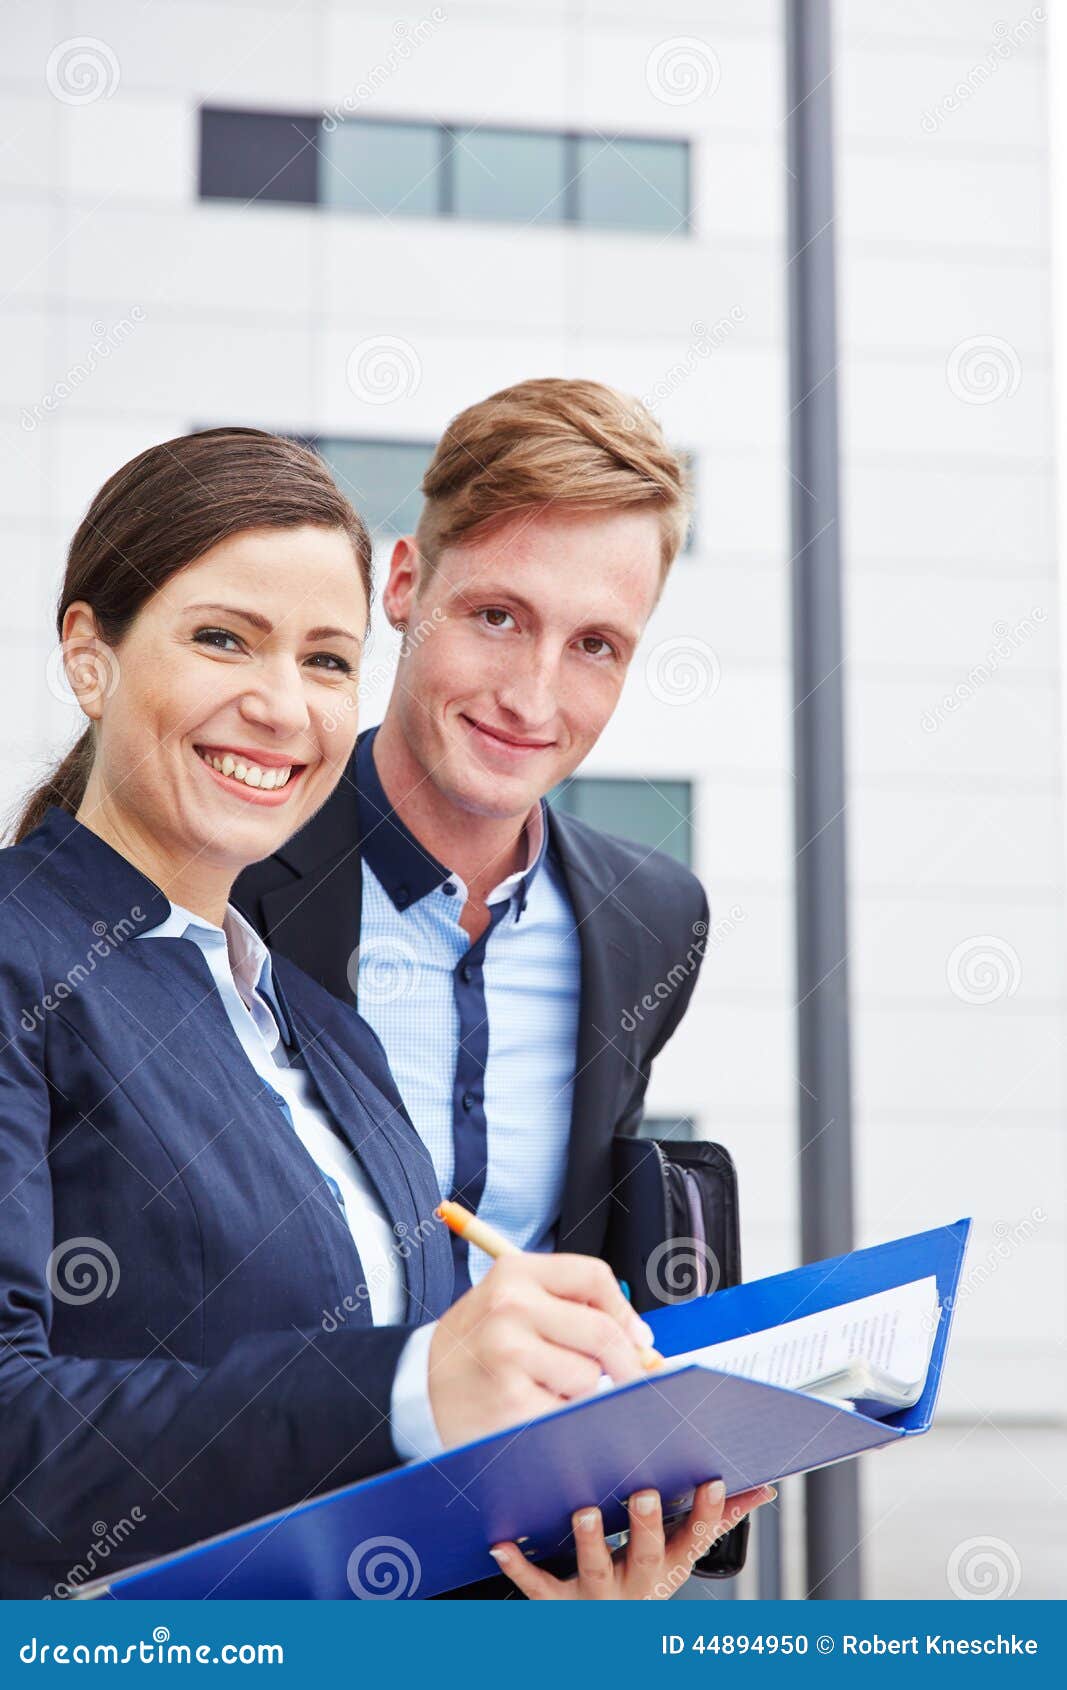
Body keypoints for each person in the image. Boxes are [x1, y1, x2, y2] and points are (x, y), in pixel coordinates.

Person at [0, 429, 770, 1601]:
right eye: (222, 638)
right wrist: (416, 1381)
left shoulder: (308, 1024)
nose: (280, 705)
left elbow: (352, 1456)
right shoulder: (28, 956)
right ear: (88, 654)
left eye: (323, 661)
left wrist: (565, 1536)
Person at [235, 380, 709, 1302]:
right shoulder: (227, 863)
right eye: (499, 617)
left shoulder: (652, 917)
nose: (532, 698)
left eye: (595, 646)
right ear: (405, 586)